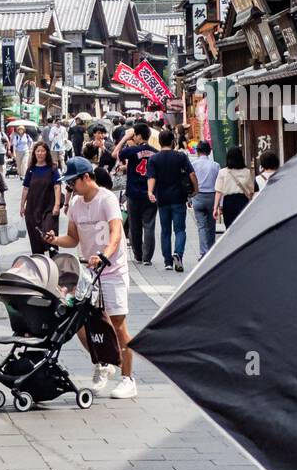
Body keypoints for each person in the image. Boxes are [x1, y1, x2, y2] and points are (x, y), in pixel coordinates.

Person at [44, 158, 136, 400]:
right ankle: (103, 362)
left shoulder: (107, 199)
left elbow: (116, 233)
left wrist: (104, 255)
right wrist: (55, 240)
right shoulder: (75, 203)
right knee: (79, 322)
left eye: (72, 182)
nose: (70, 187)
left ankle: (128, 379)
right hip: (88, 272)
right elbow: (73, 238)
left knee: (117, 324)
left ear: (86, 177)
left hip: (112, 270)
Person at [146, 129, 198, 272]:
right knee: (180, 230)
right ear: (172, 141)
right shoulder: (180, 156)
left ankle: (168, 262)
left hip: (162, 199)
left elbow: (151, 177)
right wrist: (196, 189)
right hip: (179, 198)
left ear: (160, 142)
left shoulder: (154, 159)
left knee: (165, 231)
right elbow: (192, 174)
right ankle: (178, 254)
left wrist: (150, 192)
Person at [118, 123, 158, 266]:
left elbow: (119, 154)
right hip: (151, 193)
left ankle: (138, 255)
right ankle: (147, 257)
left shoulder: (133, 151)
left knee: (135, 226)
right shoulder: (155, 152)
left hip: (134, 193)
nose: (133, 137)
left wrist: (125, 138)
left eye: (134, 135)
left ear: (139, 136)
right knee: (149, 225)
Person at [20, 139, 61, 256]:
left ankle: (55, 260)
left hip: (48, 207)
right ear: (34, 153)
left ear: (47, 153)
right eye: (38, 151)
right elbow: (26, 188)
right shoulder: (31, 170)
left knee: (49, 233)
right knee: (35, 236)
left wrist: (57, 205)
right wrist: (22, 205)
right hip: (32, 208)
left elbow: (57, 187)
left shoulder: (53, 169)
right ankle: (39, 262)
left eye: (42, 151)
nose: (40, 153)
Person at [190, 140, 220, 257]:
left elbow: (190, 181)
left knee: (201, 226)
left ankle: (203, 252)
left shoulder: (193, 164)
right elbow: (219, 184)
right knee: (211, 226)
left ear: (198, 151)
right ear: (209, 151)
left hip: (198, 196)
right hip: (212, 196)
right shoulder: (215, 165)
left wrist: (190, 197)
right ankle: (211, 251)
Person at [215, 147, 256, 227]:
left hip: (228, 202)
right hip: (243, 201)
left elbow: (218, 191)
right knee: (243, 226)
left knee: (229, 227)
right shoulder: (247, 172)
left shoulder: (222, 172)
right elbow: (251, 191)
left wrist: (215, 208)